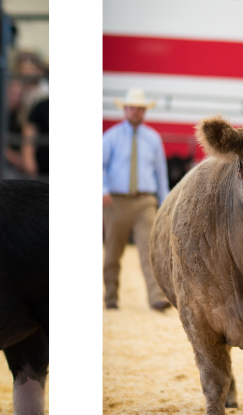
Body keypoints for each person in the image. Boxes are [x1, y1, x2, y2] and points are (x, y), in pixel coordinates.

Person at [101, 88, 168, 310]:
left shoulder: (153, 139)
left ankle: (156, 297)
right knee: (112, 252)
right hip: (116, 201)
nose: (135, 112)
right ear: (125, 110)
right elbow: (99, 165)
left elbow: (160, 172)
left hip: (144, 202)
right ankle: (111, 296)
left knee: (150, 251)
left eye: (139, 108)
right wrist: (102, 189)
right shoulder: (110, 137)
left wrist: (165, 200)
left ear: (144, 111)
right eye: (131, 108)